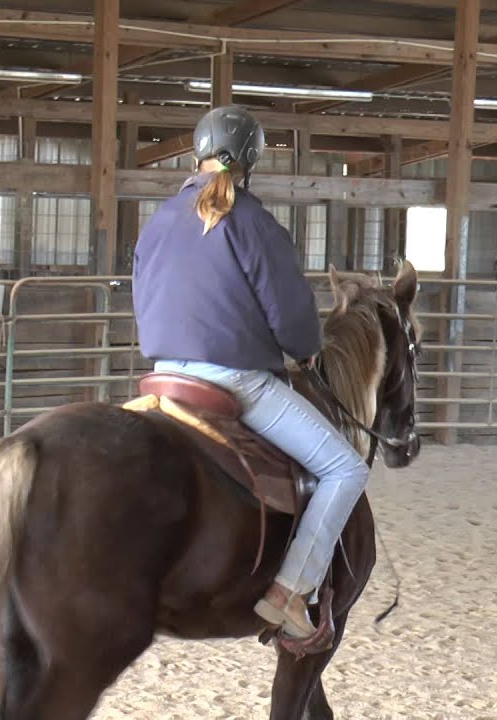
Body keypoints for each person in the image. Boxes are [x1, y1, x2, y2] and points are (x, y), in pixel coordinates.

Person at [130, 105, 369, 641]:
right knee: (346, 469)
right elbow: (289, 313)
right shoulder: (254, 222)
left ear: (197, 153)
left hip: (165, 375)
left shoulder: (160, 219)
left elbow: (143, 296)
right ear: (251, 161)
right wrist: (305, 349)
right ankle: (290, 593)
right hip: (233, 380)